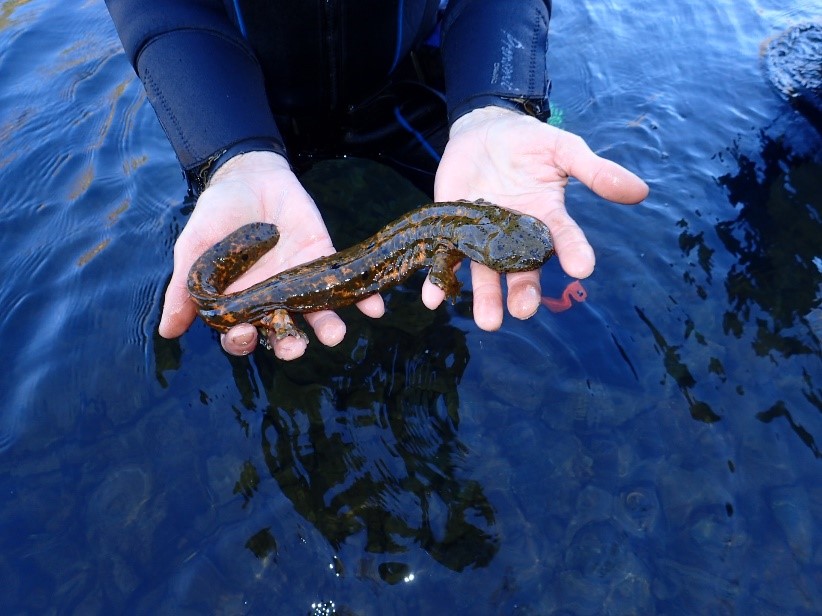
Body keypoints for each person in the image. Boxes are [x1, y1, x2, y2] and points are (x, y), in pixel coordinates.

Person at [105, 0, 649, 360]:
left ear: (492, 215)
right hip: (243, 99)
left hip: (405, 81)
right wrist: (227, 155)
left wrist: (496, 101)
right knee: (267, 287)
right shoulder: (453, 234)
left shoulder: (451, 231)